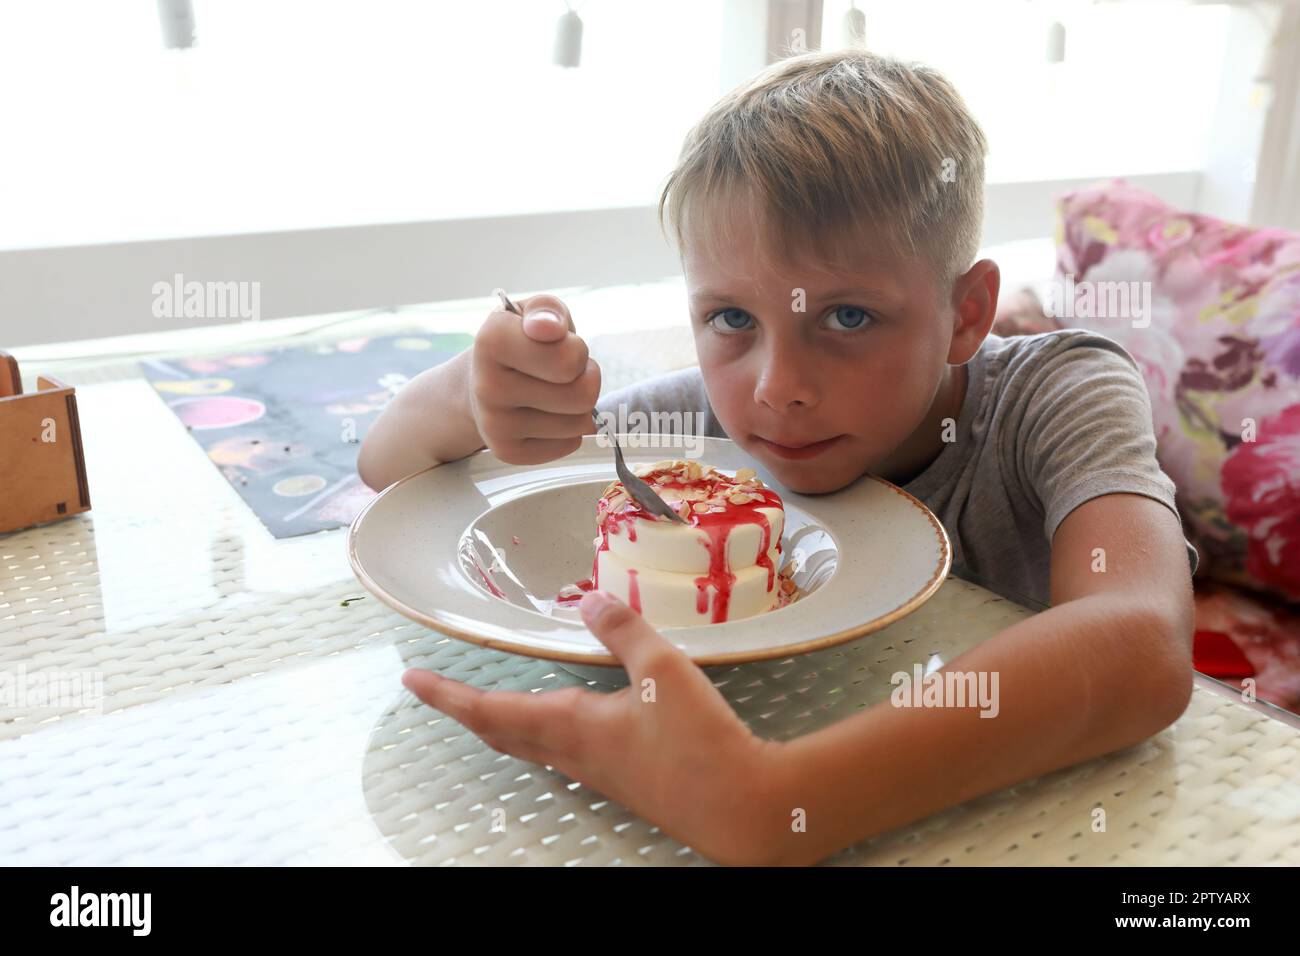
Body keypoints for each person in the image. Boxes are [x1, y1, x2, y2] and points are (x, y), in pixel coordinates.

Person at [358, 49, 1198, 866]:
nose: (777, 389)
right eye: (730, 319)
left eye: (848, 319)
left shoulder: (1057, 392)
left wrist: (783, 803)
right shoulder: (693, 425)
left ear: (967, 312)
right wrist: (473, 397)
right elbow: (386, 470)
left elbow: (1143, 642)